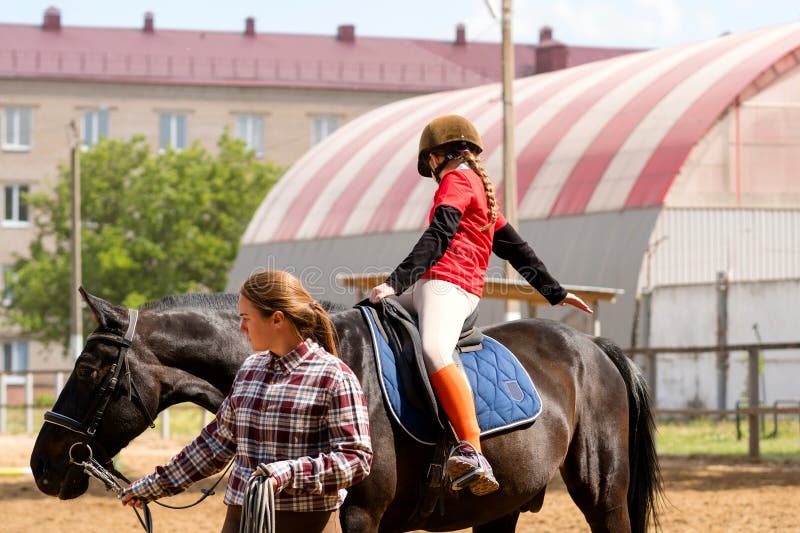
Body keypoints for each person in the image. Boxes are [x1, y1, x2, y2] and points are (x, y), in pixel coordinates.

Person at [369, 114, 592, 496]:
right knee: (371, 316)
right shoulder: (481, 190)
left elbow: (439, 235)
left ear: (437, 157)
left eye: (431, 164)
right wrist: (553, 291)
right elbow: (516, 248)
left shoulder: (456, 180)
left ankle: (472, 449)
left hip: (450, 287)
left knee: (434, 349)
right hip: (434, 284)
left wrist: (395, 282)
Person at [122, 269, 373, 533]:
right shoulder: (250, 369)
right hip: (240, 521)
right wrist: (154, 485)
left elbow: (356, 459)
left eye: (246, 318)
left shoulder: (334, 376)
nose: (241, 327)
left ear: (277, 319)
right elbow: (215, 444)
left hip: (306, 524)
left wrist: (290, 472)